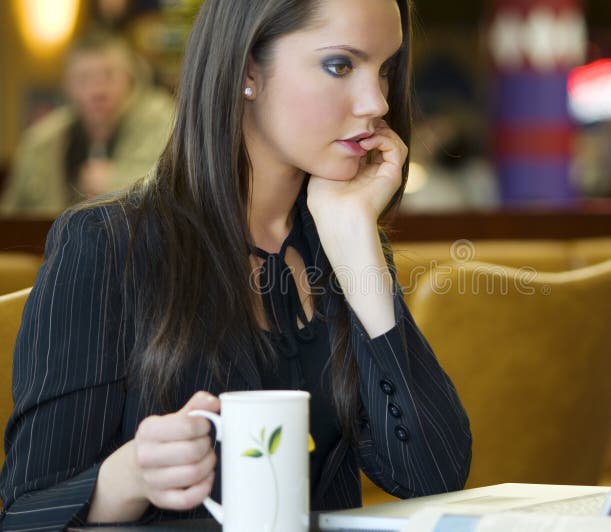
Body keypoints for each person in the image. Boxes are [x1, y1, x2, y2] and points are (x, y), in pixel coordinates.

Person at [0, 0, 472, 529]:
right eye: (340, 65)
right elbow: (24, 514)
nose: (376, 102)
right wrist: (129, 475)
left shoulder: (342, 244)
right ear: (248, 69)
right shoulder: (108, 244)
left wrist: (358, 245)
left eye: (385, 70)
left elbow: (434, 476)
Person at [0, 29, 174, 216]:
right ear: (67, 85)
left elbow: (170, 195)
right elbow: (10, 219)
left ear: (128, 79)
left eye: (108, 76)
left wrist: (114, 182)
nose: (97, 90)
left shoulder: (163, 120)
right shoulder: (40, 142)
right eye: (84, 78)